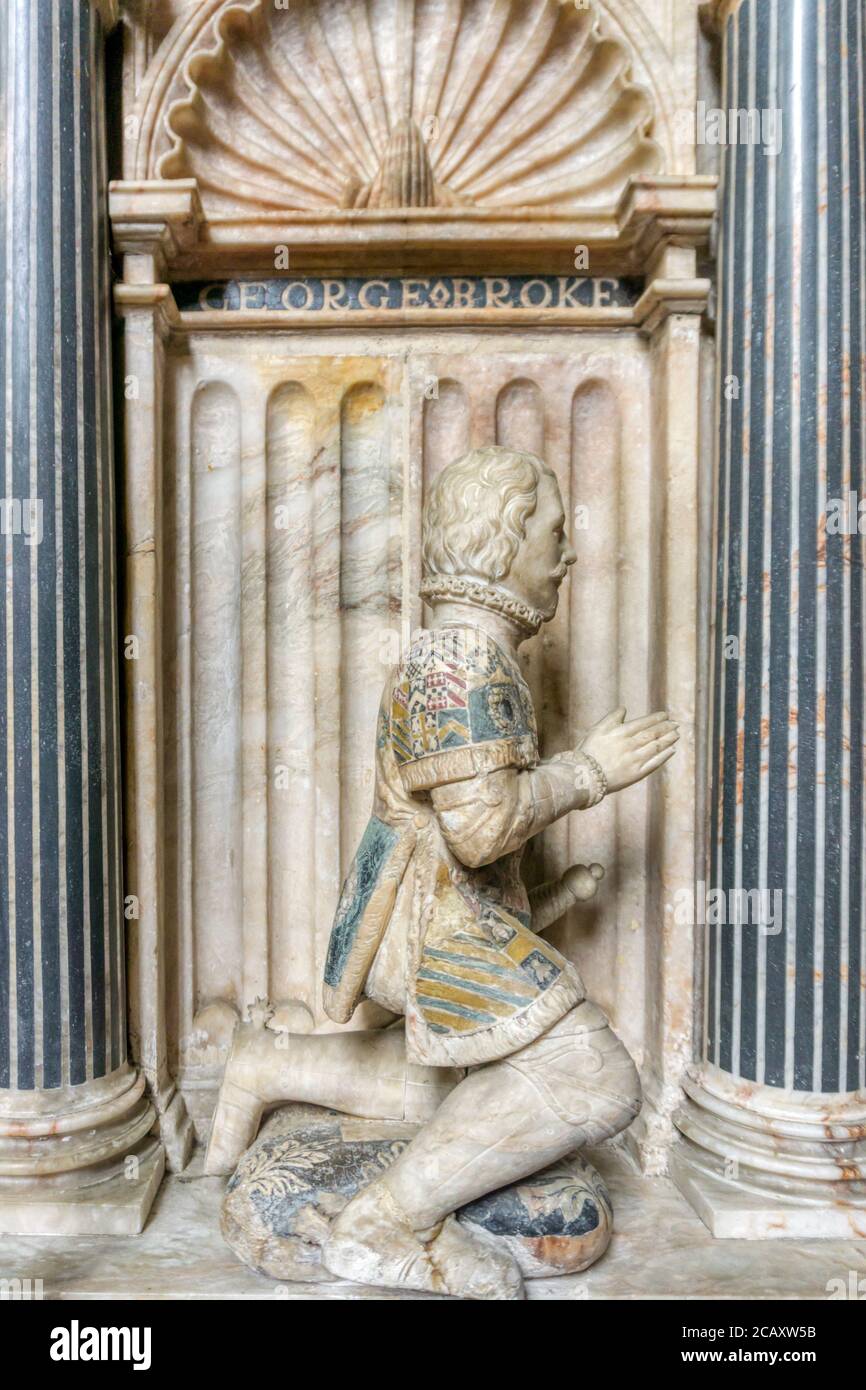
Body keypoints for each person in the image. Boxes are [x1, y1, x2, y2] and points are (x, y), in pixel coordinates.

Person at [207, 446, 678, 1299]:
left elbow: (462, 829)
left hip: (446, 916)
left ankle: (268, 1064)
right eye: (554, 534)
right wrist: (591, 772)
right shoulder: (460, 662)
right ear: (502, 543)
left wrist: (549, 896)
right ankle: (379, 1227)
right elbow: (481, 827)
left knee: (459, 1097)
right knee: (597, 1080)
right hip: (441, 931)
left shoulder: (466, 655)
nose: (567, 556)